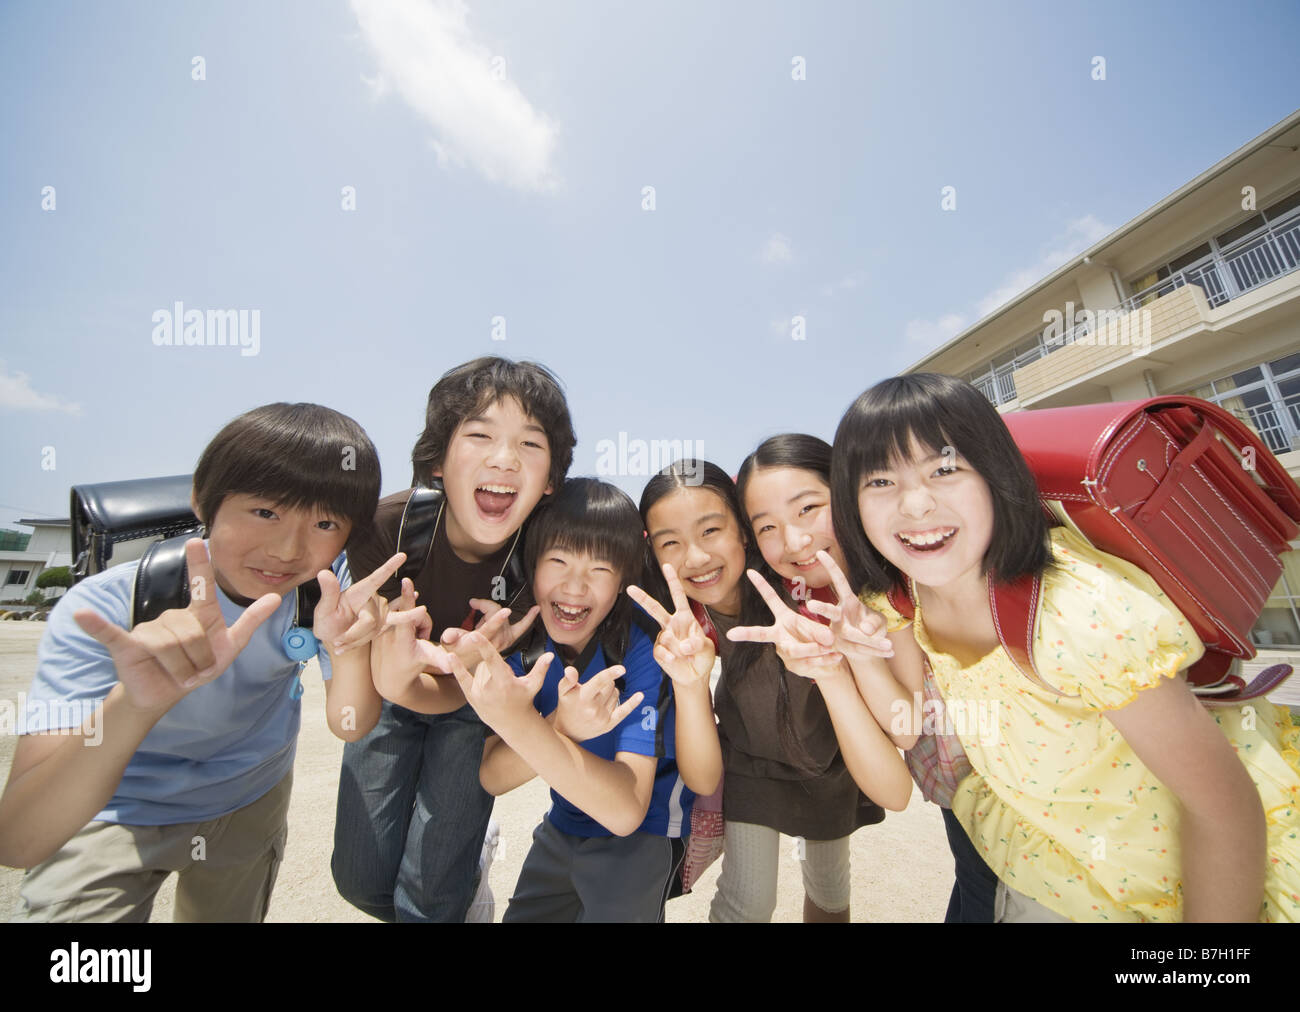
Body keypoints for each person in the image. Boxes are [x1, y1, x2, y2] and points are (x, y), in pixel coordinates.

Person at [828, 372, 1300, 922]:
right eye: (879, 482)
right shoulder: (907, 596)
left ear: (994, 473)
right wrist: (851, 659)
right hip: (1068, 874)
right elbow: (910, 722)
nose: (914, 504)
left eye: (945, 469)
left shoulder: (1076, 614)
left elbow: (1224, 811)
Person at [1, 402, 400, 922]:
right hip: (114, 807)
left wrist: (348, 649)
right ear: (201, 501)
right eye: (265, 512)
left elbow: (349, 726)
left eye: (325, 522)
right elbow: (18, 842)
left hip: (247, 801)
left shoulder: (322, 597)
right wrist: (135, 704)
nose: (288, 549)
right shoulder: (104, 609)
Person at [332, 357, 575, 922]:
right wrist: (400, 662)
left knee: (430, 896)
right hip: (392, 693)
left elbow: (467, 691)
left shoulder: (540, 557)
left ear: (550, 484)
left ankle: (463, 883)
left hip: (474, 702)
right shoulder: (385, 528)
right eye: (480, 435)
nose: (504, 458)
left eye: (530, 445)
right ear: (439, 461)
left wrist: (461, 665)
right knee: (360, 881)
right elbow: (384, 682)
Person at [637, 452, 909, 923]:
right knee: (747, 902)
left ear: (742, 529)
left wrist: (838, 658)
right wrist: (690, 682)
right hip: (750, 765)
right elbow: (703, 779)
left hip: (829, 762)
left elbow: (897, 781)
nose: (696, 557)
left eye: (710, 531)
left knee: (828, 890)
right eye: (671, 542)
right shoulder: (685, 623)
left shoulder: (806, 588)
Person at [456, 478, 701, 922]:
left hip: (645, 833)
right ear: (532, 564)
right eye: (558, 560)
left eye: (600, 569)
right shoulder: (522, 642)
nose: (574, 586)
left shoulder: (641, 645)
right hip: (565, 820)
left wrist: (529, 728)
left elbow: (625, 811)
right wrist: (560, 726)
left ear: (625, 579)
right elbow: (492, 775)